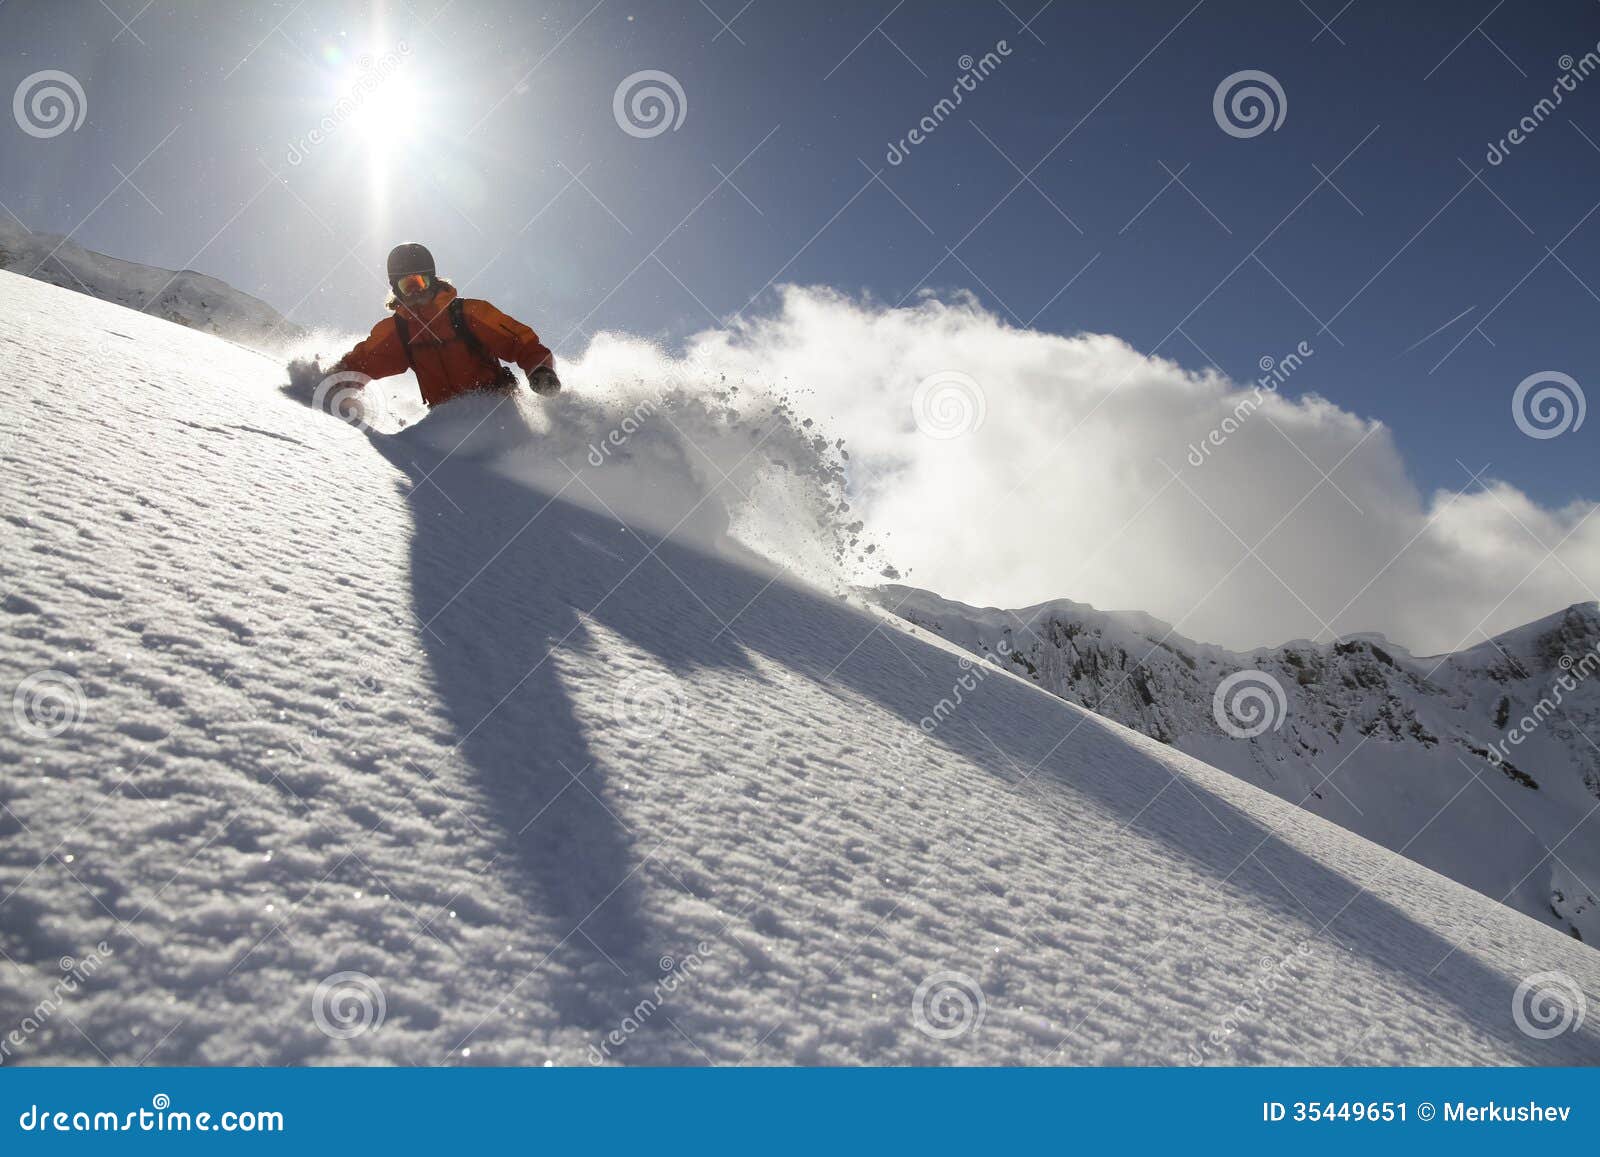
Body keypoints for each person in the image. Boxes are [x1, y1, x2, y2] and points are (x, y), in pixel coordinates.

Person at [328, 242, 560, 408]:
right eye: (407, 286)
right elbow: (364, 361)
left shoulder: (467, 313)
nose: (415, 292)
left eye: (420, 282)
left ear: (433, 280)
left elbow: (520, 342)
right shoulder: (399, 330)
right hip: (446, 423)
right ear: (396, 290)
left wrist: (540, 369)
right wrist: (331, 381)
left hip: (496, 410)